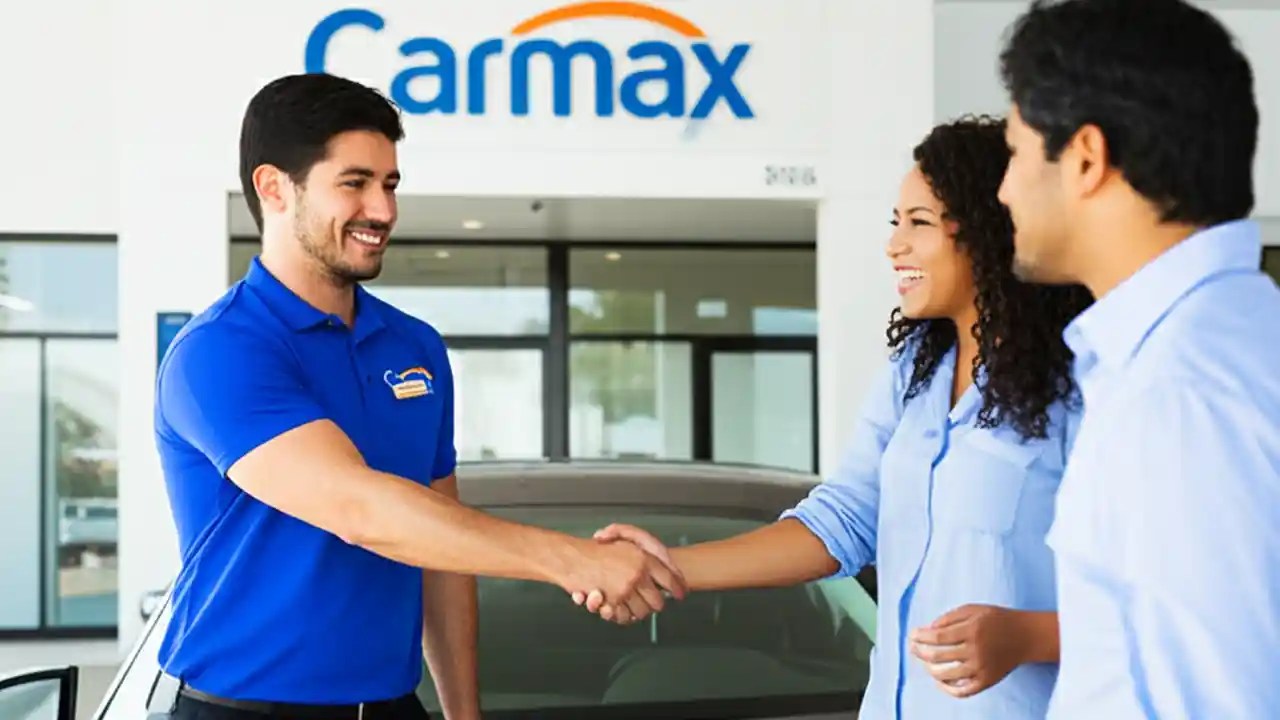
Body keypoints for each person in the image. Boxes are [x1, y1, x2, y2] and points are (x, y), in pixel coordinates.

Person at [150, 72, 685, 720]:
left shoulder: (414, 348)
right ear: (274, 189)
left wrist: (463, 713)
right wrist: (572, 560)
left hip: (392, 706)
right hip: (240, 711)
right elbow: (360, 510)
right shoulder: (221, 351)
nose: (384, 210)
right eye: (355, 183)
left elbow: (442, 549)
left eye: (390, 184)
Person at [576, 116, 1094, 719]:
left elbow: (1169, 599)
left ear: (989, 230)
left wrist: (1028, 637)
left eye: (919, 223)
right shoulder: (914, 373)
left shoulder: (1086, 385)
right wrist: (666, 567)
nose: (894, 245)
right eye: (895, 223)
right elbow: (843, 521)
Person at [995, 1, 1280, 717]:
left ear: (1086, 158)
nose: (1003, 189)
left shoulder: (1181, 395)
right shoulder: (1226, 345)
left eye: (1016, 153)